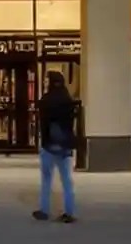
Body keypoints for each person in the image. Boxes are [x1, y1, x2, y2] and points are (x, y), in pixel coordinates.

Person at [33, 70, 77, 223]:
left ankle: (44, 210)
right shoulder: (68, 100)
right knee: (66, 180)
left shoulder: (46, 100)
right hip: (65, 145)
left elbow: (43, 123)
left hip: (49, 145)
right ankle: (69, 212)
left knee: (46, 179)